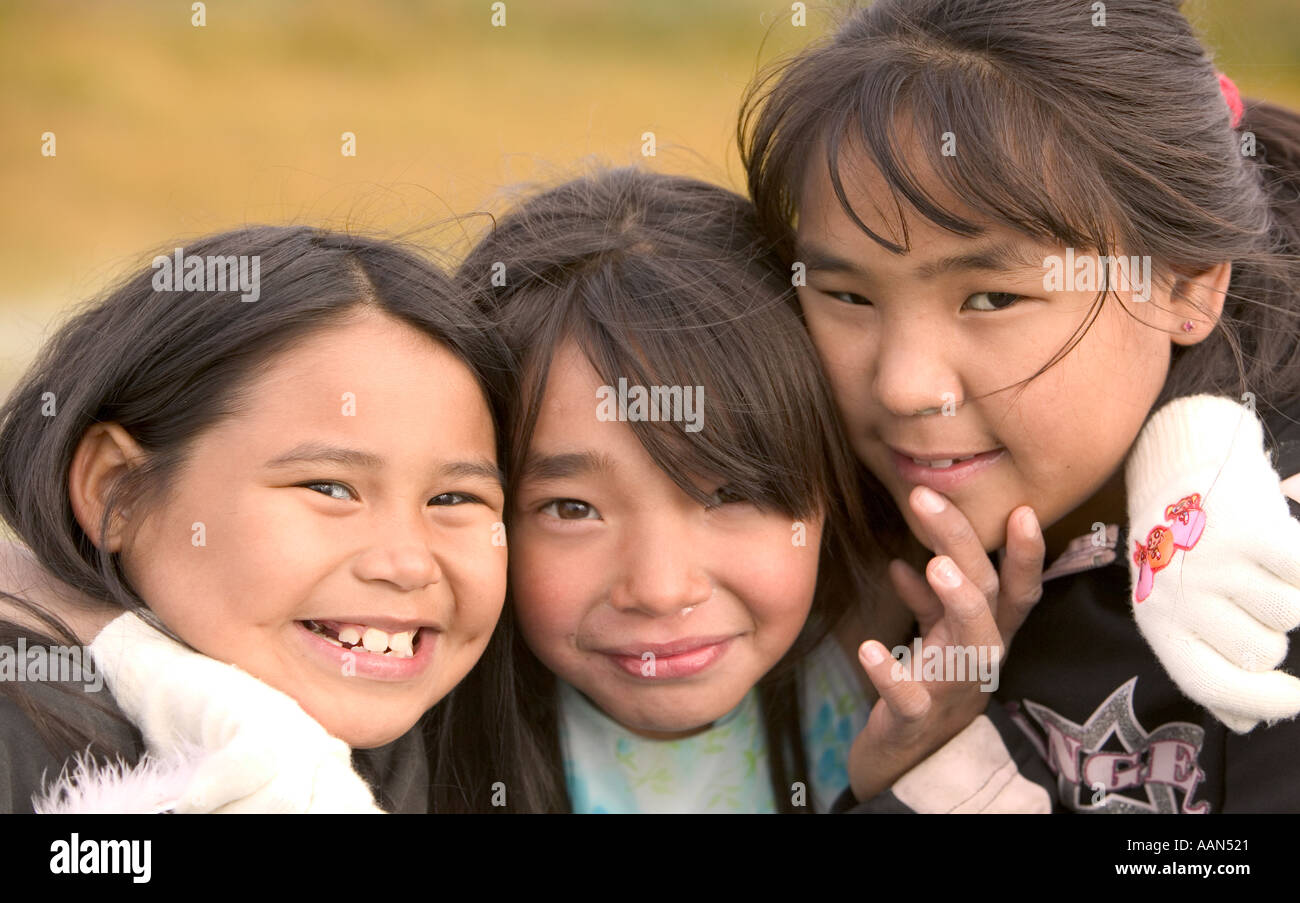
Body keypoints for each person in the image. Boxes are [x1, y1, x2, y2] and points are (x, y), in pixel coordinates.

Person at [740, 0, 1300, 811]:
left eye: (992, 298)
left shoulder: (1268, 577)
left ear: (1184, 284)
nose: (904, 387)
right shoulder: (781, 508)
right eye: (848, 296)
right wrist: (909, 770)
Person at [0, 225, 523, 813]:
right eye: (330, 488)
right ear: (117, 489)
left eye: (453, 499)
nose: (407, 564)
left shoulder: (449, 744)